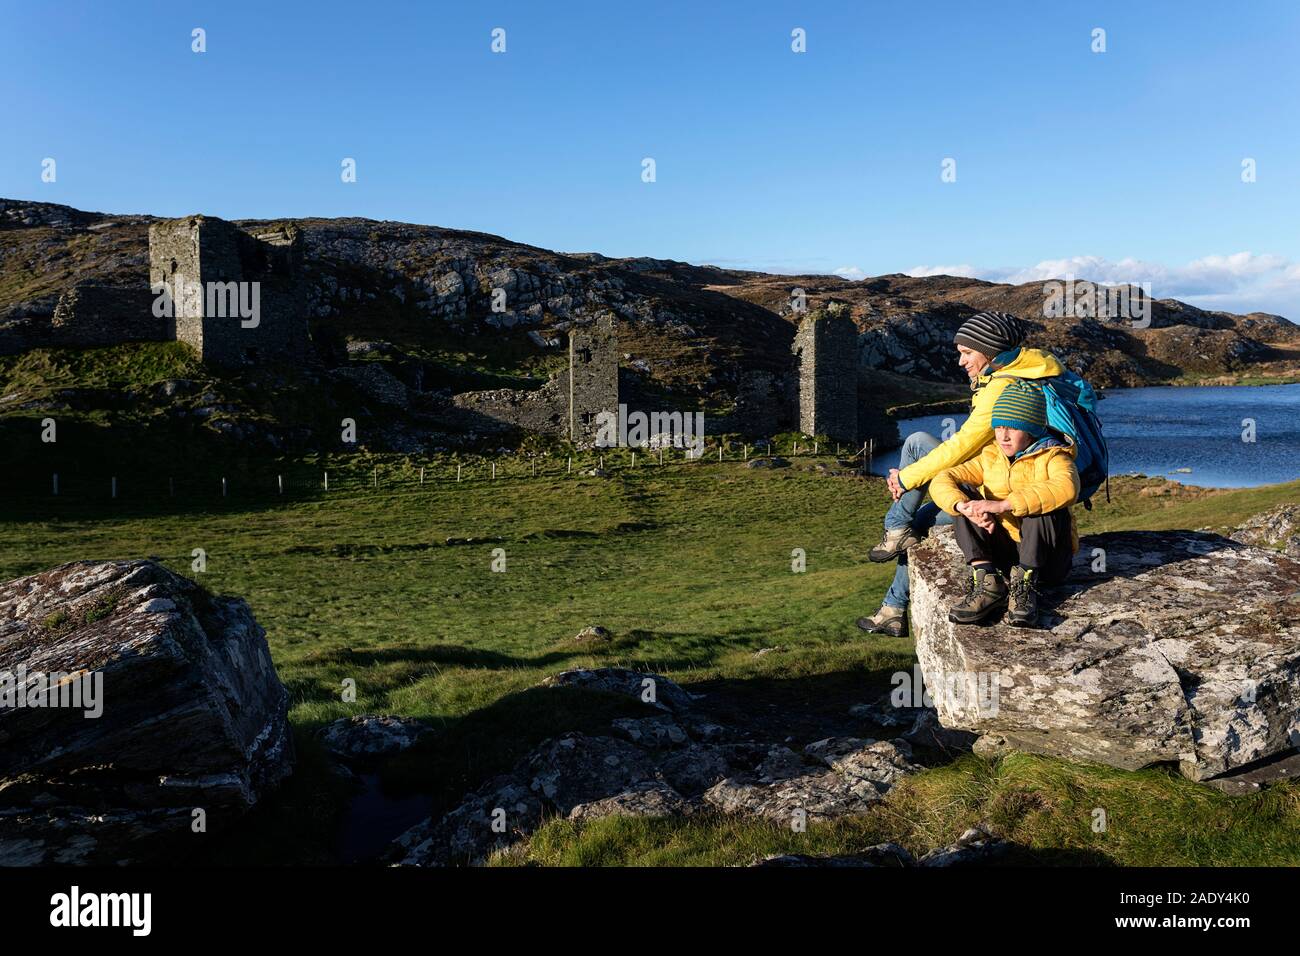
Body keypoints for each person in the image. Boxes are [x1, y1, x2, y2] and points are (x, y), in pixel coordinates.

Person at [856, 310, 1064, 637]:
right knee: (918, 450)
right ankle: (894, 574)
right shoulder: (1019, 373)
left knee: (918, 512)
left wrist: (907, 479)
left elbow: (962, 445)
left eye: (967, 352)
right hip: (990, 478)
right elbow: (966, 452)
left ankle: (894, 575)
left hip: (1000, 492)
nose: (960, 361)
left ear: (990, 350)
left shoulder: (1004, 385)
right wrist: (933, 488)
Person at [928, 379, 1080, 628]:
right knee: (963, 494)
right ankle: (988, 582)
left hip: (1048, 560)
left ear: (1031, 429)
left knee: (1044, 503)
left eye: (1013, 428)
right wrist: (963, 507)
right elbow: (943, 478)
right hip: (1005, 554)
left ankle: (1025, 587)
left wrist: (1003, 505)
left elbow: (1067, 488)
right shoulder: (991, 455)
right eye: (998, 427)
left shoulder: (1054, 456)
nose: (1003, 436)